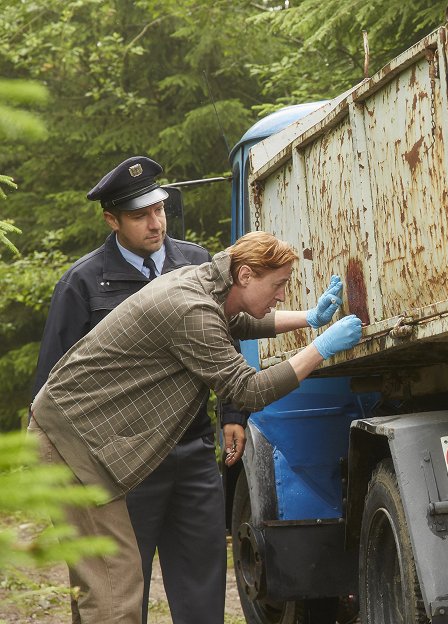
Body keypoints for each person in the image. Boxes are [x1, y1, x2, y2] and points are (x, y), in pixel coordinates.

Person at [29, 197, 360, 620]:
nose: (282, 295)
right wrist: (320, 349)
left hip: (87, 443)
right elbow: (248, 389)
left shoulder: (201, 281)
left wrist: (308, 318)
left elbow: (234, 321)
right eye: (278, 285)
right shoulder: (190, 307)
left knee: (120, 580)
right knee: (114, 591)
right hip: (72, 449)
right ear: (243, 274)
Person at [32, 155, 248, 624]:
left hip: (191, 450)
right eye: (139, 215)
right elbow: (51, 389)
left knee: (203, 587)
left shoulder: (195, 263)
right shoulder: (83, 283)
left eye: (160, 209)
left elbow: (225, 337)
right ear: (112, 220)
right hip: (120, 464)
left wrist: (233, 414)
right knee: (115, 593)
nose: (155, 223)